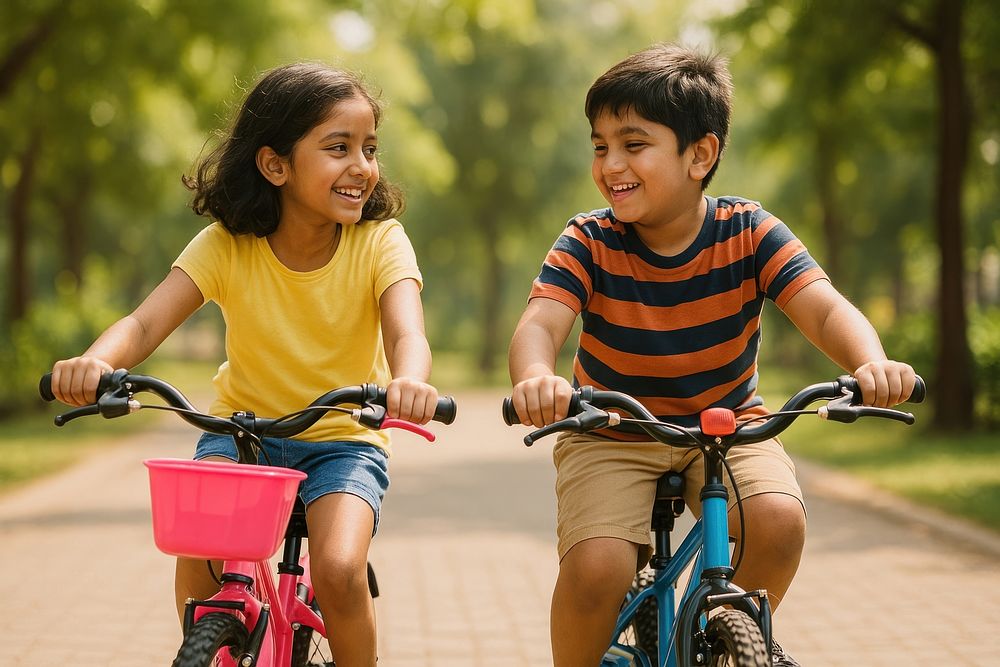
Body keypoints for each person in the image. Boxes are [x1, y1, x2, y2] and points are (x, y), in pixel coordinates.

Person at [507, 43, 916, 667]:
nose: (610, 163)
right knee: (597, 569)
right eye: (600, 146)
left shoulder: (749, 231)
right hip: (611, 430)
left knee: (777, 522)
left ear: (701, 154)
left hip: (727, 427)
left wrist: (871, 363)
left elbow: (825, 306)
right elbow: (541, 322)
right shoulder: (589, 239)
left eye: (633, 144)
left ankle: (722, 636)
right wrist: (537, 376)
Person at [49, 62, 439, 666]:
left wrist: (409, 381)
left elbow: (406, 330)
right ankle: (208, 647)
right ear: (275, 165)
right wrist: (95, 362)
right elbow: (146, 322)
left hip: (342, 439)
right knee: (199, 564)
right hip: (243, 435)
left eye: (369, 148)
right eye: (338, 148)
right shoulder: (227, 244)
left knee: (338, 571)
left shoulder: (379, 241)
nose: (361, 166)